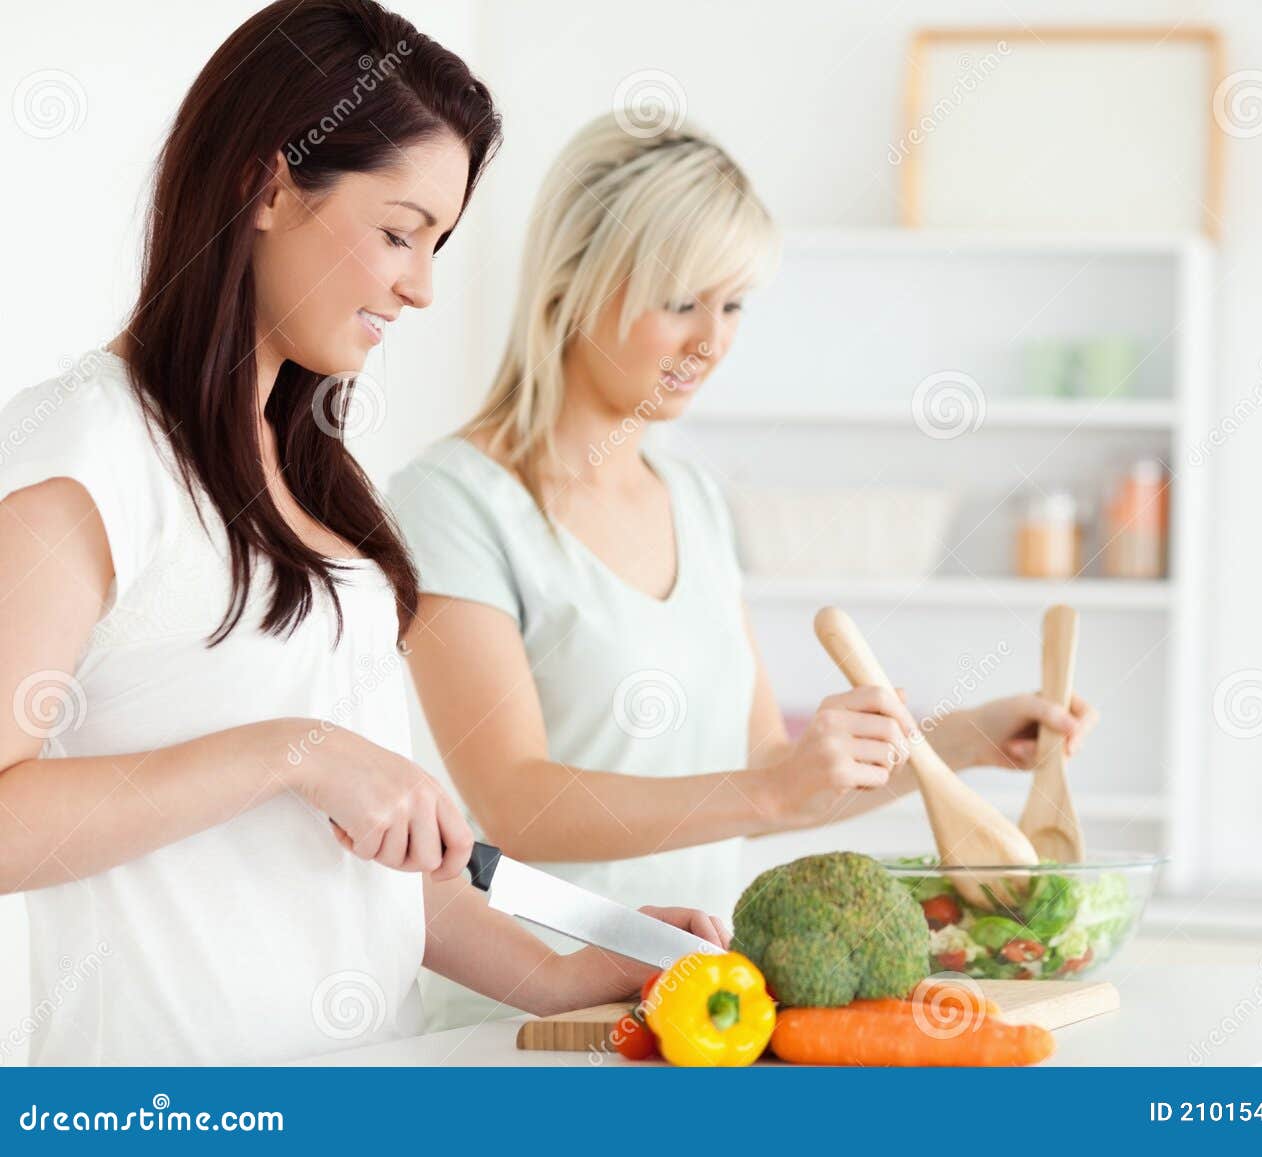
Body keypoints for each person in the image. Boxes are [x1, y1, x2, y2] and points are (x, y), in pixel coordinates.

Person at [0, 0, 724, 1066]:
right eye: (399, 231)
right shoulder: (86, 450)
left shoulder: (315, 483)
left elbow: (367, 863)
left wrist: (578, 967)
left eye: (437, 243)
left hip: (358, 1084)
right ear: (266, 182)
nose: (422, 285)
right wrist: (292, 752)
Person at [390, 113, 1098, 1028]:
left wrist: (956, 743)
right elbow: (519, 803)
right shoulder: (455, 501)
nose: (712, 342)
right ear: (573, 284)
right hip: (522, 1018)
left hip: (693, 1001)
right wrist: (770, 785)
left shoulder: (694, 498)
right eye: (681, 301)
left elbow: (770, 776)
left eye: (733, 306)